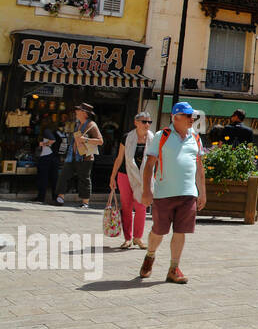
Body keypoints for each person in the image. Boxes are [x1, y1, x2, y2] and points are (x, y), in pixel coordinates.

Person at [139, 102, 206, 283]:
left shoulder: (196, 138)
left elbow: (200, 168)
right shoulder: (162, 136)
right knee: (158, 232)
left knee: (180, 231)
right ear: (176, 117)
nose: (192, 119)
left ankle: (173, 268)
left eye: (192, 116)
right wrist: (147, 190)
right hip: (163, 194)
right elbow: (149, 166)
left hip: (188, 194)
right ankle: (150, 255)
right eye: (188, 116)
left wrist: (202, 192)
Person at [108, 111, 153, 250]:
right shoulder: (127, 137)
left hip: (143, 177)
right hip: (125, 174)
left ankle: (138, 238)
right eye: (144, 121)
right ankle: (128, 238)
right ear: (136, 122)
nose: (147, 124)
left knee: (141, 206)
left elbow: (156, 160)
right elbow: (119, 158)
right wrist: (112, 177)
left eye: (149, 122)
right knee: (126, 207)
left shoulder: (153, 139)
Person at [55, 103, 102, 207]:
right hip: (73, 156)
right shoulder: (78, 124)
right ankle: (60, 198)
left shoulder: (92, 125)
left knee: (84, 179)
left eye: (79, 110)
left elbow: (100, 141)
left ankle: (85, 203)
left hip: (85, 158)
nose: (76, 112)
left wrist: (85, 139)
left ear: (84, 113)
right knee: (64, 175)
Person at [33, 124, 63, 205]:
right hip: (55, 157)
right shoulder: (57, 131)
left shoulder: (47, 130)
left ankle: (41, 198)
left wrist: (43, 144)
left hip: (46, 156)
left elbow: (52, 140)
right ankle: (55, 198)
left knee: (43, 178)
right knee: (54, 179)